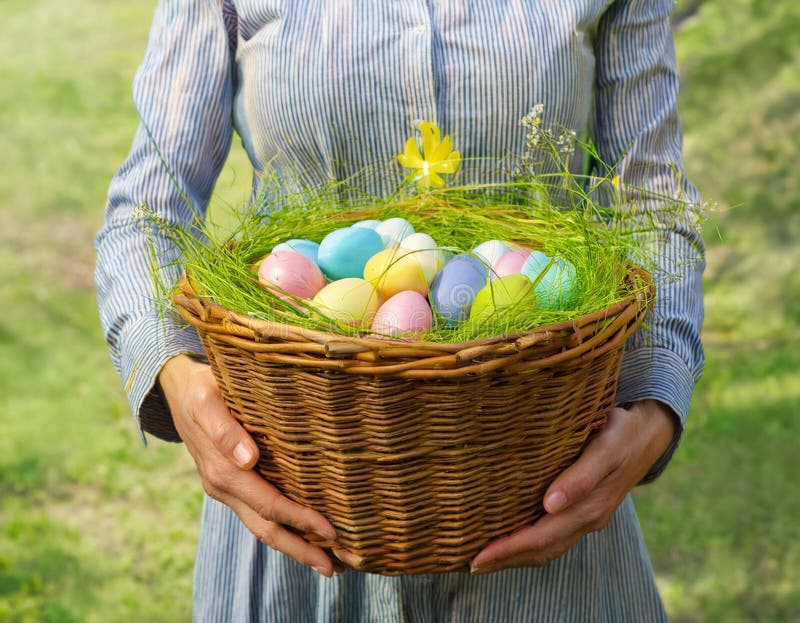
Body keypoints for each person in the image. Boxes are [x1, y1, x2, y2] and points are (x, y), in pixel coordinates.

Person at [95, 1, 705, 621]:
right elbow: (147, 212)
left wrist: (654, 398)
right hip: (297, 515)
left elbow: (653, 201)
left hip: (543, 504)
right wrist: (173, 371)